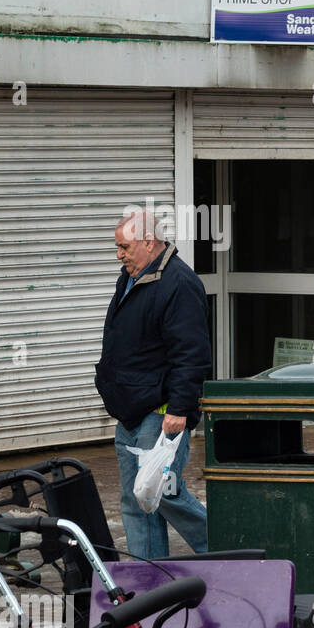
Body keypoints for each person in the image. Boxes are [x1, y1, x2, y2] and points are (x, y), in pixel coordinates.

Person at [95, 209, 212, 560]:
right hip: (130, 413)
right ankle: (150, 579)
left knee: (163, 492)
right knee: (136, 499)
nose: (119, 254)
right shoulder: (130, 278)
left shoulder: (179, 283)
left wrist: (180, 408)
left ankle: (232, 549)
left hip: (160, 414)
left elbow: (191, 353)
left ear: (148, 242)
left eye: (124, 247)